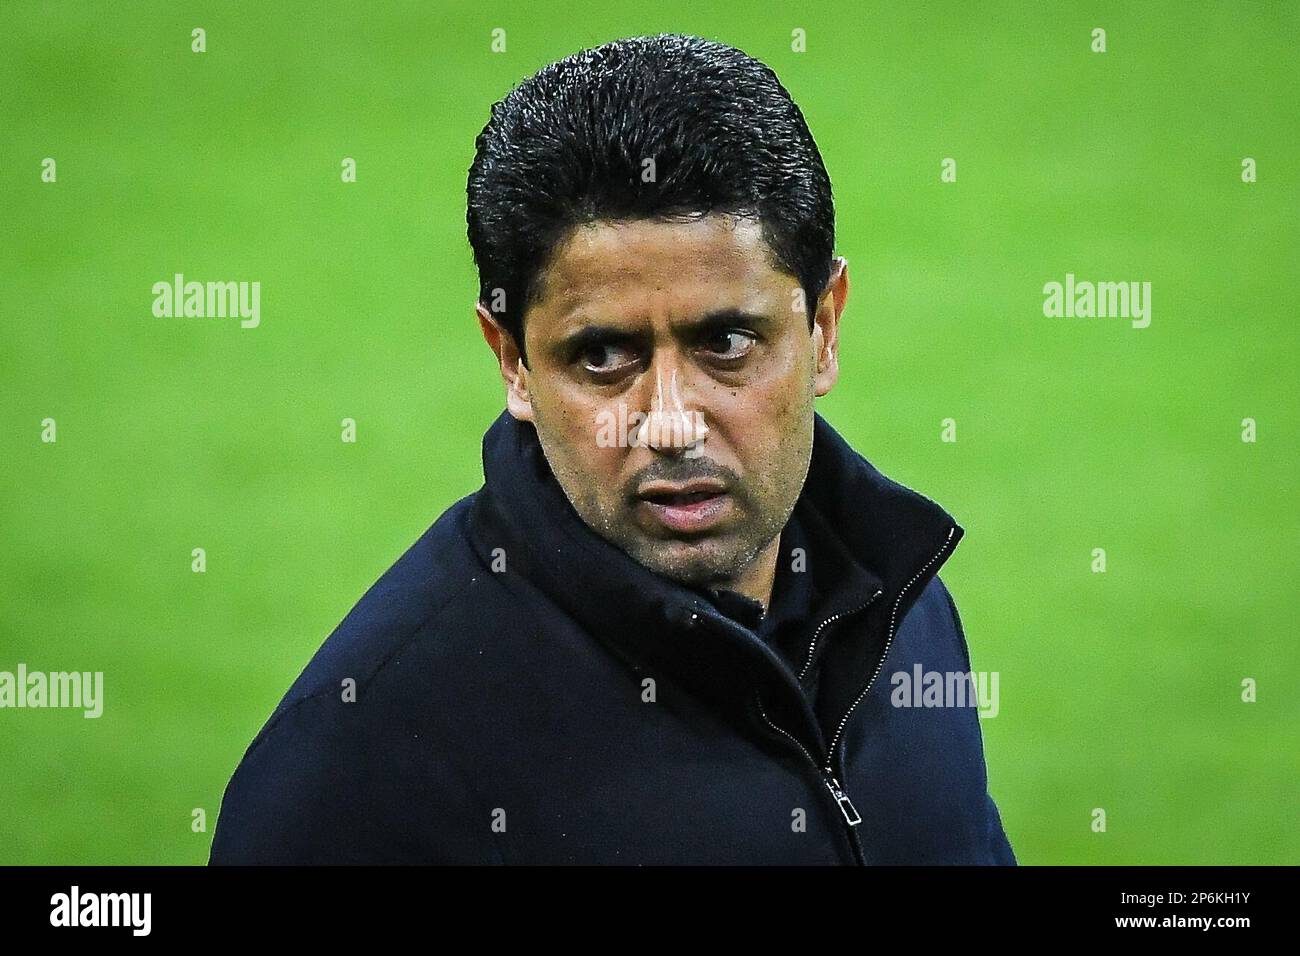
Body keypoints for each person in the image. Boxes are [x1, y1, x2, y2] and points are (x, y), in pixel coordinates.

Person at [210, 33, 1015, 865]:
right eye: (602, 357)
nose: (670, 423)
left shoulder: (899, 604)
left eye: (729, 341)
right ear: (513, 362)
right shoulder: (365, 768)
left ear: (825, 325)